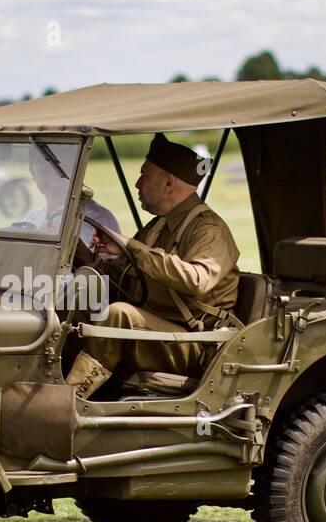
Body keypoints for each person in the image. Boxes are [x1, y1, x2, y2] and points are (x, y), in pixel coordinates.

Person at [64, 133, 241, 400]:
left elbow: (197, 280)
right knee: (74, 307)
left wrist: (133, 247)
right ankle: (48, 383)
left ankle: (69, 400)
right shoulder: (158, 226)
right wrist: (78, 253)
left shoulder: (209, 229)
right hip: (159, 333)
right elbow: (125, 275)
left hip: (195, 343)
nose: (137, 183)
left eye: (145, 176)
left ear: (168, 183)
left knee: (119, 316)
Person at [20, 145, 120, 245]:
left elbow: (106, 259)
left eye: (62, 169)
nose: (54, 176)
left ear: (77, 170)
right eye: (44, 169)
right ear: (32, 173)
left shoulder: (99, 220)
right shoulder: (31, 218)